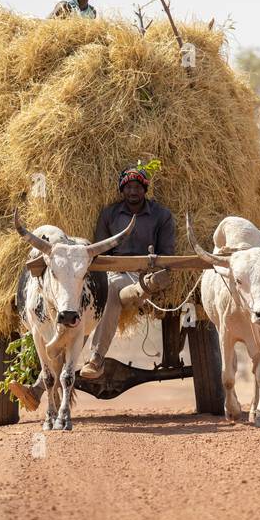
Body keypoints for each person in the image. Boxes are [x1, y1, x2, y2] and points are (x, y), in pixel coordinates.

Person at [79, 161, 175, 379]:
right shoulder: (109, 214)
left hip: (148, 274)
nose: (133, 191)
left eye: (138, 187)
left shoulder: (162, 215)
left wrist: (152, 273)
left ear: (145, 190)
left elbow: (167, 254)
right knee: (111, 289)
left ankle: (95, 358)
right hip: (115, 274)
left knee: (113, 291)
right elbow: (101, 252)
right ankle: (75, 357)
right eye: (128, 187)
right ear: (122, 189)